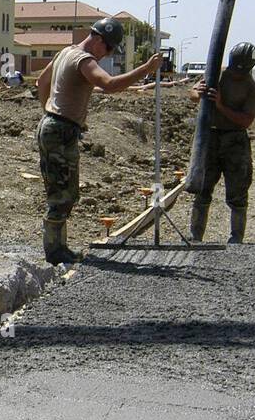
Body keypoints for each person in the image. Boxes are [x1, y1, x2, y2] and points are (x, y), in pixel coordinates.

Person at [35, 18, 163, 263]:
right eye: (109, 49)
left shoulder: (65, 52)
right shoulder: (84, 60)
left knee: (66, 192)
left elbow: (42, 81)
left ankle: (58, 248)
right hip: (59, 131)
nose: (107, 55)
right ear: (98, 40)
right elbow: (109, 84)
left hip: (54, 126)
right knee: (61, 195)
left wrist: (48, 111)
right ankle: (54, 252)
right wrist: (145, 70)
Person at [188, 41, 255, 244]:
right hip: (210, 138)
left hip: (235, 142)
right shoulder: (216, 74)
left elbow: (246, 121)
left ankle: (236, 240)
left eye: (240, 71)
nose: (235, 74)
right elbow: (193, 93)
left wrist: (220, 105)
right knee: (202, 191)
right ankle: (195, 237)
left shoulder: (253, 89)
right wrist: (200, 93)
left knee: (237, 194)